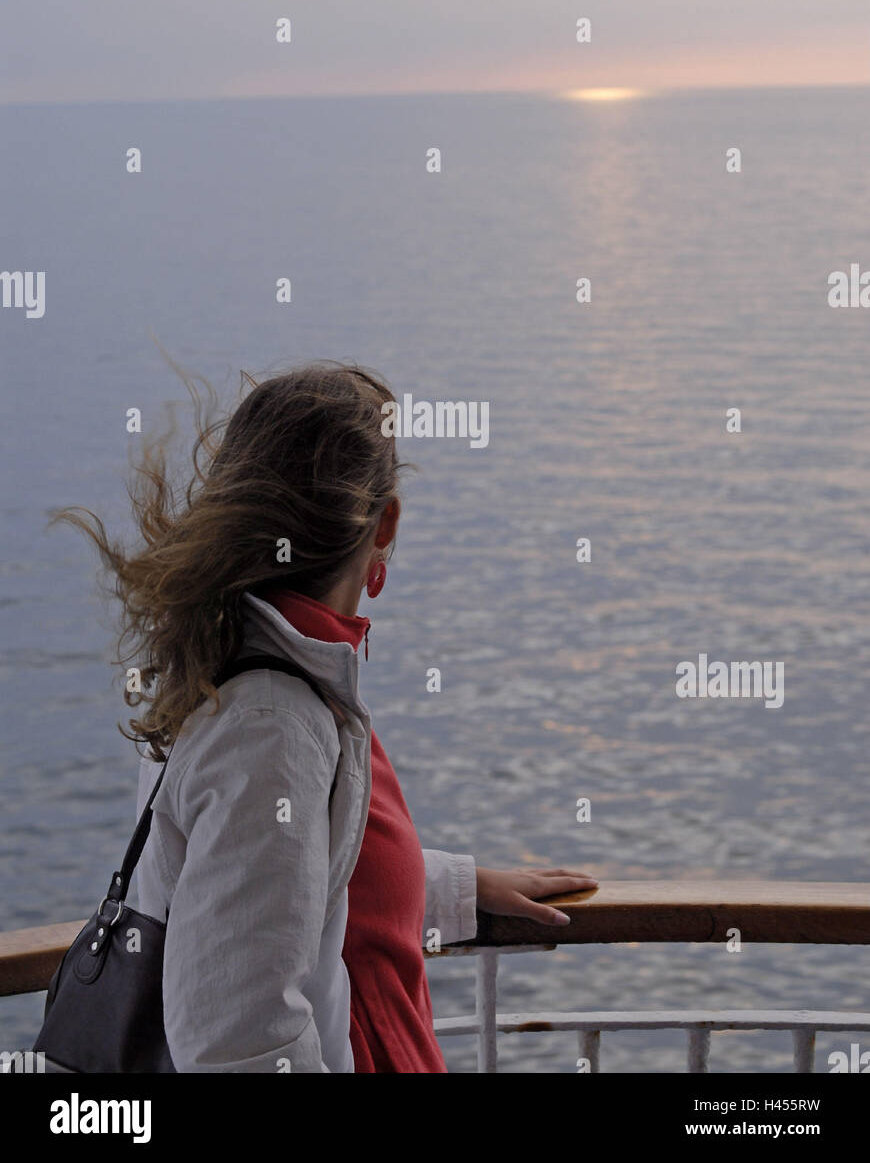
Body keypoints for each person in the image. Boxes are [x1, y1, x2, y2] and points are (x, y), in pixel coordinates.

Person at [56, 362, 597, 1072]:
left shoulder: (228, 660)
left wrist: (449, 888)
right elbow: (237, 1039)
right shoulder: (268, 724)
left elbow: (282, 885)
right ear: (386, 523)